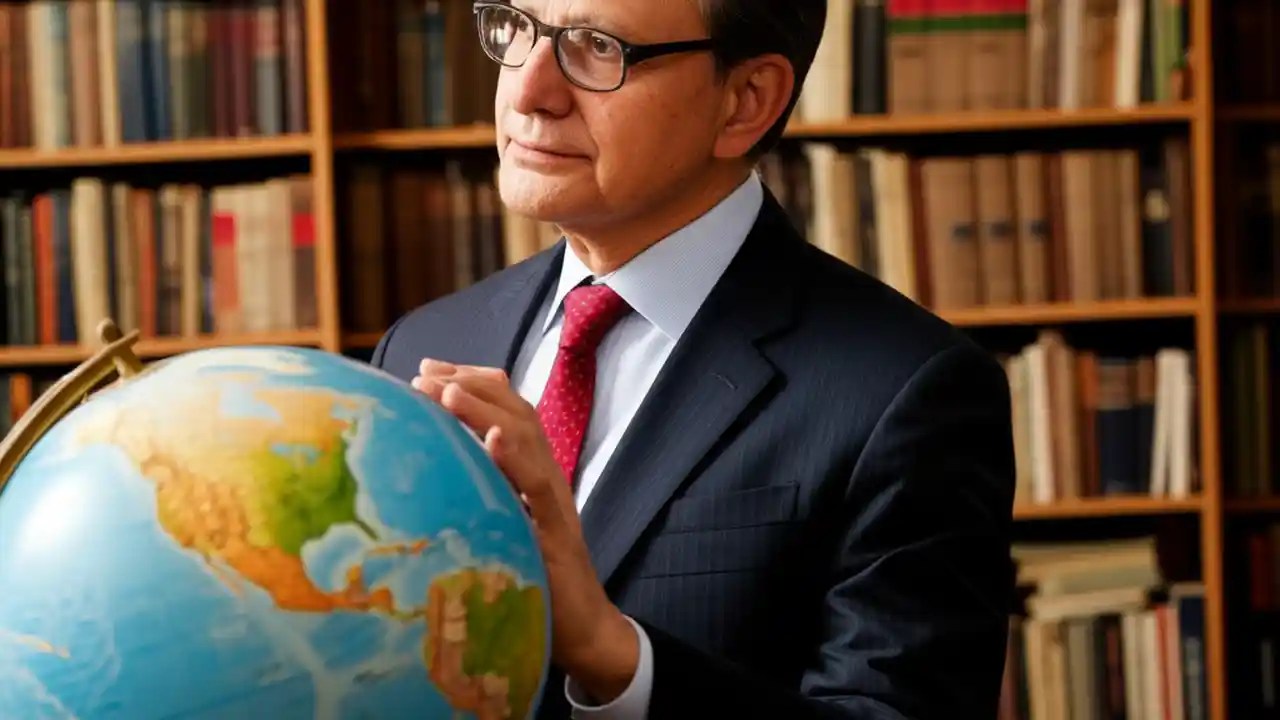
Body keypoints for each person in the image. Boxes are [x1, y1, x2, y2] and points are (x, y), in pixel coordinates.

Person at [371, 0, 1017, 717]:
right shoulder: (424, 343)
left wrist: (614, 656)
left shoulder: (906, 391)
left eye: (596, 47)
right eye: (515, 27)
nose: (527, 91)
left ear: (746, 101)